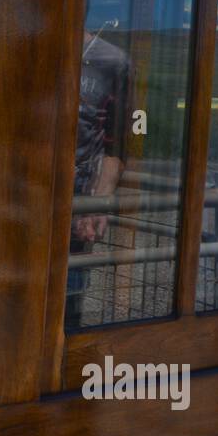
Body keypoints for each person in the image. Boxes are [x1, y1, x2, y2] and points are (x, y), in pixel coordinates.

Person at [67, 27, 131, 329]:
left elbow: (116, 144)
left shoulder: (112, 61)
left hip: (76, 207)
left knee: (68, 302)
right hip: (21, 202)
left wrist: (99, 200)